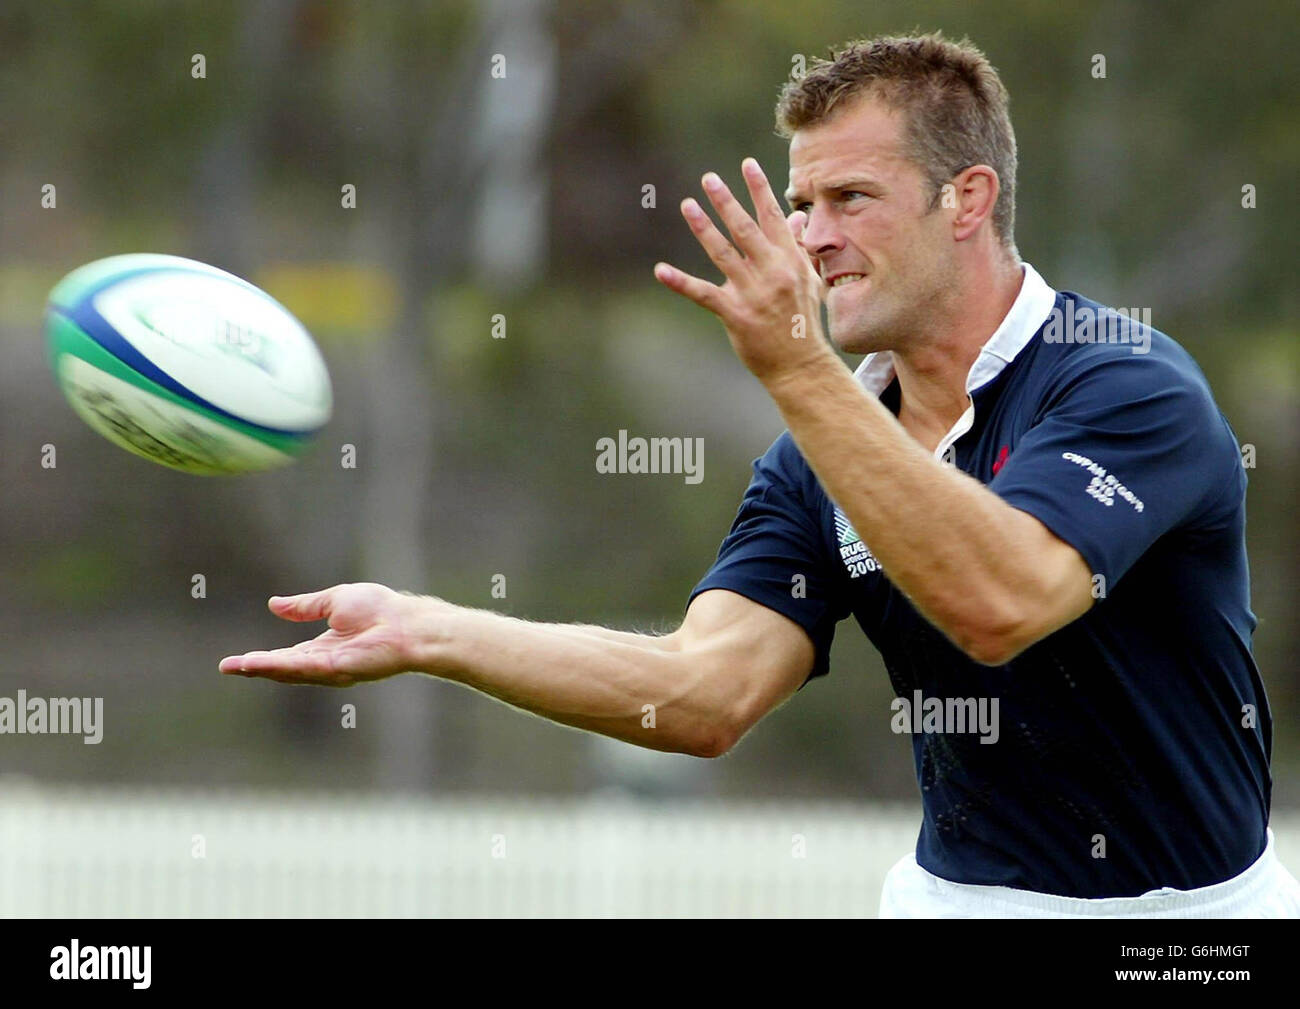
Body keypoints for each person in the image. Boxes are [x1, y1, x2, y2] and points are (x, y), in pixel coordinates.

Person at [221, 32, 1299, 918]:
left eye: (850, 200)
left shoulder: (1122, 381)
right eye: (801, 203)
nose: (810, 238)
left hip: (1196, 923)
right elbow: (702, 694)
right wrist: (431, 632)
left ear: (965, 200)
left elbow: (1000, 600)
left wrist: (797, 369)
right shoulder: (815, 454)